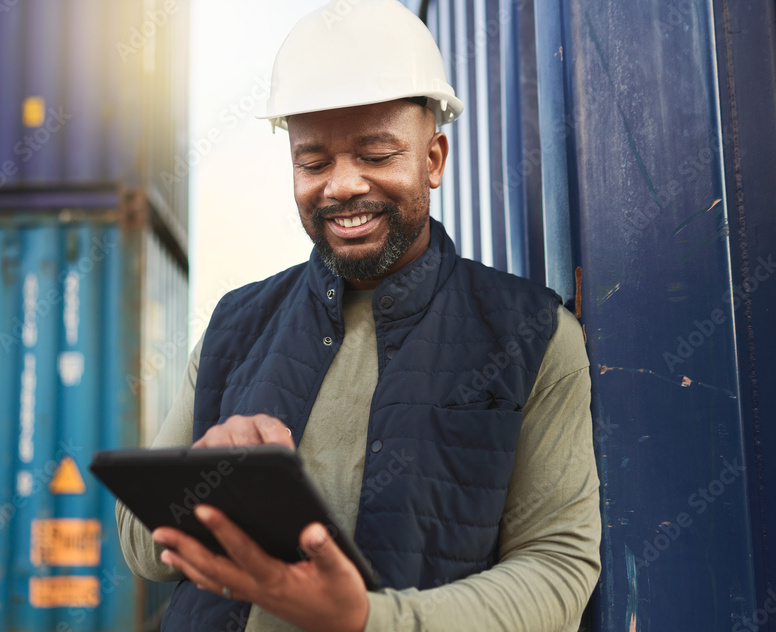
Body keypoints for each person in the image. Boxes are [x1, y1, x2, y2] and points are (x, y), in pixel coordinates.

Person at [116, 1, 601, 630]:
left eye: (376, 155)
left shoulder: (532, 336)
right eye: (313, 163)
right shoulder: (234, 328)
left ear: (432, 160)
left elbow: (558, 567)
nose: (341, 186)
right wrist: (203, 477)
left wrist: (367, 620)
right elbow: (140, 548)